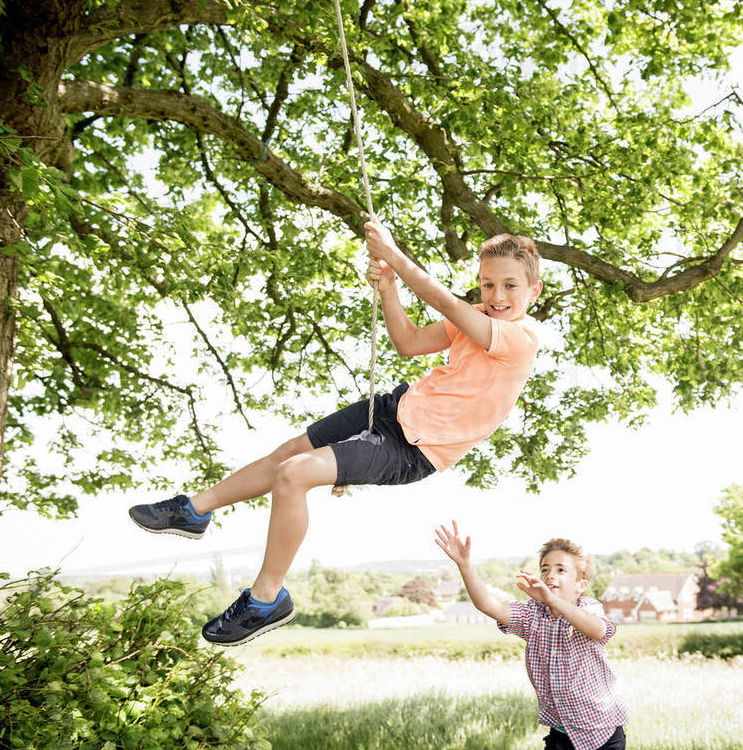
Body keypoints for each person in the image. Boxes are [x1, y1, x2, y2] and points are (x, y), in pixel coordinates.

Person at [128, 222, 543, 645]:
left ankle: (266, 598)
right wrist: (388, 287)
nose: (496, 296)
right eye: (488, 284)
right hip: (393, 408)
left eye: (510, 285)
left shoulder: (520, 339)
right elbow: (408, 341)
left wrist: (396, 255)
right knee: (288, 452)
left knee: (294, 473)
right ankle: (195, 511)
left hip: (414, 450)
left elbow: (450, 305)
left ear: (534, 291)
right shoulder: (476, 321)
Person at [435, 522, 627, 750]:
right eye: (544, 569)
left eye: (560, 569)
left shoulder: (587, 607)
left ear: (580, 585)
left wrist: (552, 599)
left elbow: (598, 630)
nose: (549, 574)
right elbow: (487, 605)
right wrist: (465, 566)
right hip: (561, 735)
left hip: (602, 732)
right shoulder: (532, 614)